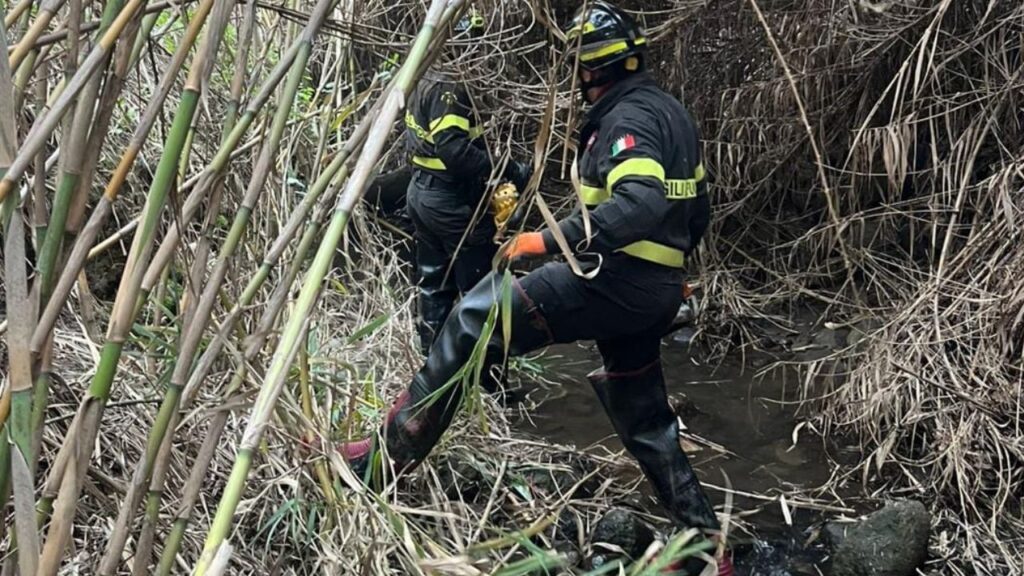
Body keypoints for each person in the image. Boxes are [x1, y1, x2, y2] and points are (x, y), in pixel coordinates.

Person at [342, 2, 731, 573]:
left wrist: (545, 242)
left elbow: (642, 202)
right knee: (642, 412)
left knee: (476, 316)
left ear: (591, 67)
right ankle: (703, 547)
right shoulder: (670, 113)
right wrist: (671, 276)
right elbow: (694, 212)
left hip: (617, 280)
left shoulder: (627, 122)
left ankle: (381, 465)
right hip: (656, 288)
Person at [404, 9, 532, 354]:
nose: (478, 51)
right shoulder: (452, 85)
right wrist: (509, 168)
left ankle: (432, 372)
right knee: (482, 292)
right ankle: (488, 385)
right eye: (474, 43)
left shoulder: (426, 75)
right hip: (449, 202)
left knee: (435, 286)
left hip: (422, 195)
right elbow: (454, 153)